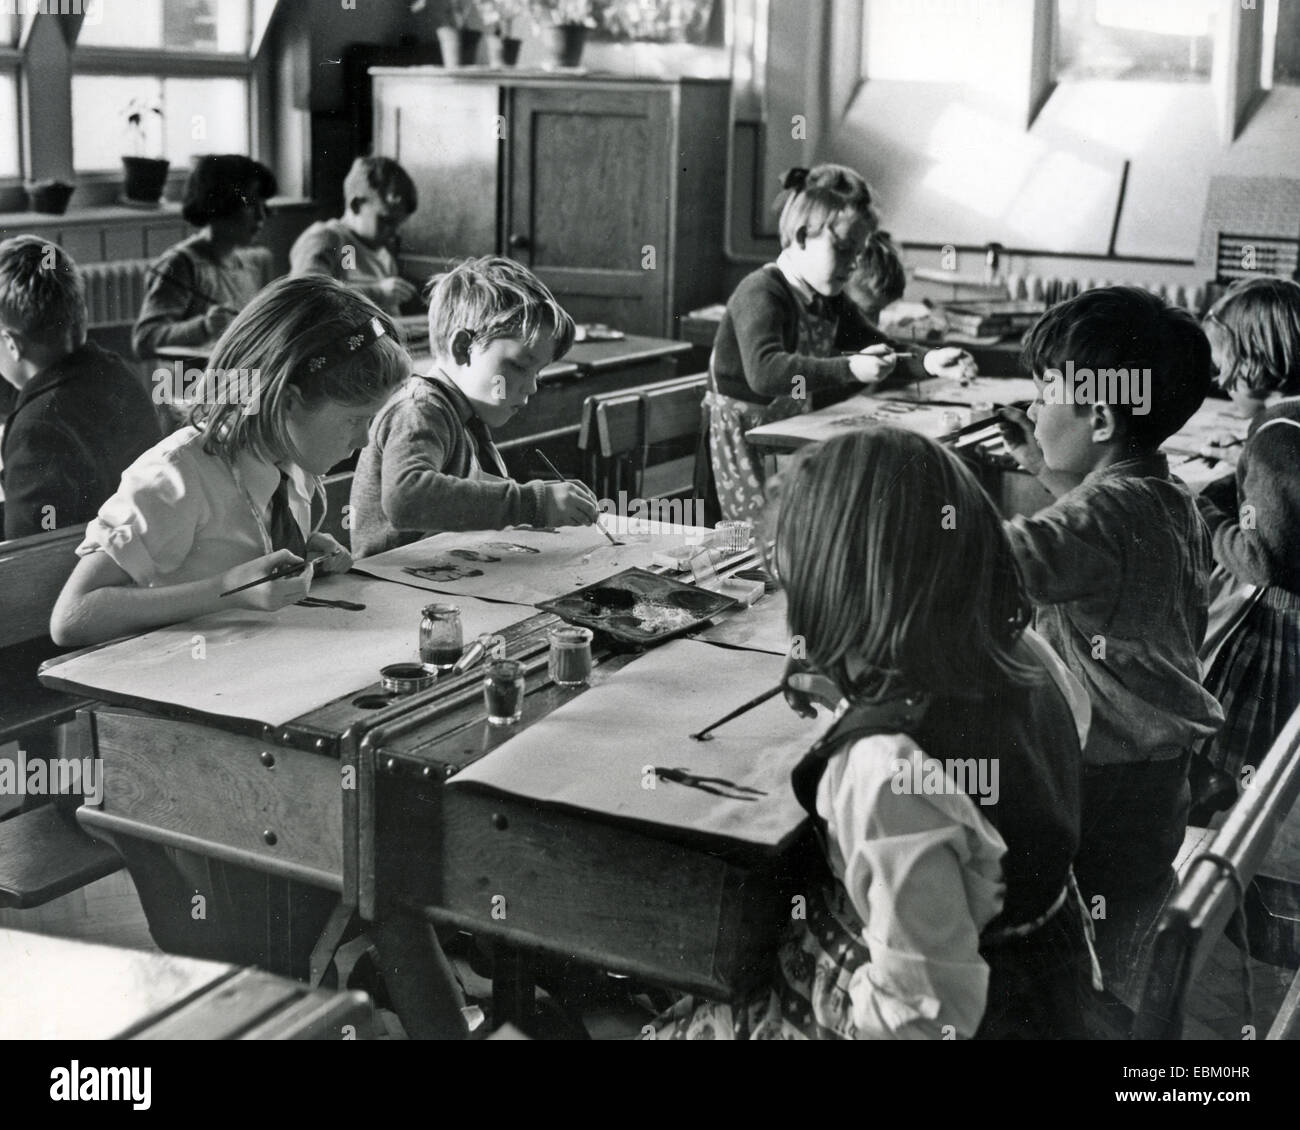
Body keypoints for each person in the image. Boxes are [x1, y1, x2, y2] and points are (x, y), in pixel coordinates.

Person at [52, 274, 468, 1039]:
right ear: (283, 400)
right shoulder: (177, 476)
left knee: (382, 858)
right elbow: (72, 618)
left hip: (250, 723)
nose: (361, 442)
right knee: (330, 882)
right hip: (157, 757)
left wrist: (309, 551)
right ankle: (309, 996)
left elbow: (261, 549)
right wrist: (224, 591)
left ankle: (357, 984)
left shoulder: (292, 467)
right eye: (352, 421)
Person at [657, 427, 1094, 1040]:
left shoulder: (882, 769)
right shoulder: (1029, 652)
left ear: (836, 594)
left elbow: (925, 1014)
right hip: (1045, 977)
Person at [996, 286, 1224, 1006]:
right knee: (1112, 923)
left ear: (1098, 417)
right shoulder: (1165, 492)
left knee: (1059, 938)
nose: (1032, 405)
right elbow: (1095, 537)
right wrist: (1044, 465)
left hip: (1106, 781)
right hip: (1156, 779)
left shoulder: (1103, 514)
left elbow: (1008, 559)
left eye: (1044, 391)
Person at [349, 255, 598, 559]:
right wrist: (532, 503)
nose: (532, 386)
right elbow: (406, 497)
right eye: (520, 366)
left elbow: (463, 493)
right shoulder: (419, 408)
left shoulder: (462, 413)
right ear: (463, 348)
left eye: (538, 373)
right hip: (388, 586)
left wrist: (532, 510)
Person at [1189, 276, 1300, 819]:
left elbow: (1260, 558)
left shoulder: (1276, 431)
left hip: (1282, 625)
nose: (1218, 375)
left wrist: (1201, 513)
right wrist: (1230, 486)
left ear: (1254, 360)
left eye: (1224, 359)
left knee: (1244, 778)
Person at [0, 236, 160, 539]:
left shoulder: (34, 431)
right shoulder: (118, 375)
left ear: (11, 343)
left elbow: (28, 557)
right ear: (81, 316)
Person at [132, 154, 277, 358]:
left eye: (263, 206)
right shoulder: (182, 264)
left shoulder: (247, 265)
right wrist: (205, 327)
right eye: (251, 205)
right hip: (191, 385)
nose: (262, 216)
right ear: (222, 202)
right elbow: (145, 339)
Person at [290, 156, 420, 317]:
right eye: (386, 221)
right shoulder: (328, 238)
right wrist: (378, 292)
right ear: (356, 205)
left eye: (398, 224)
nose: (393, 232)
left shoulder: (384, 256)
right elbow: (306, 296)